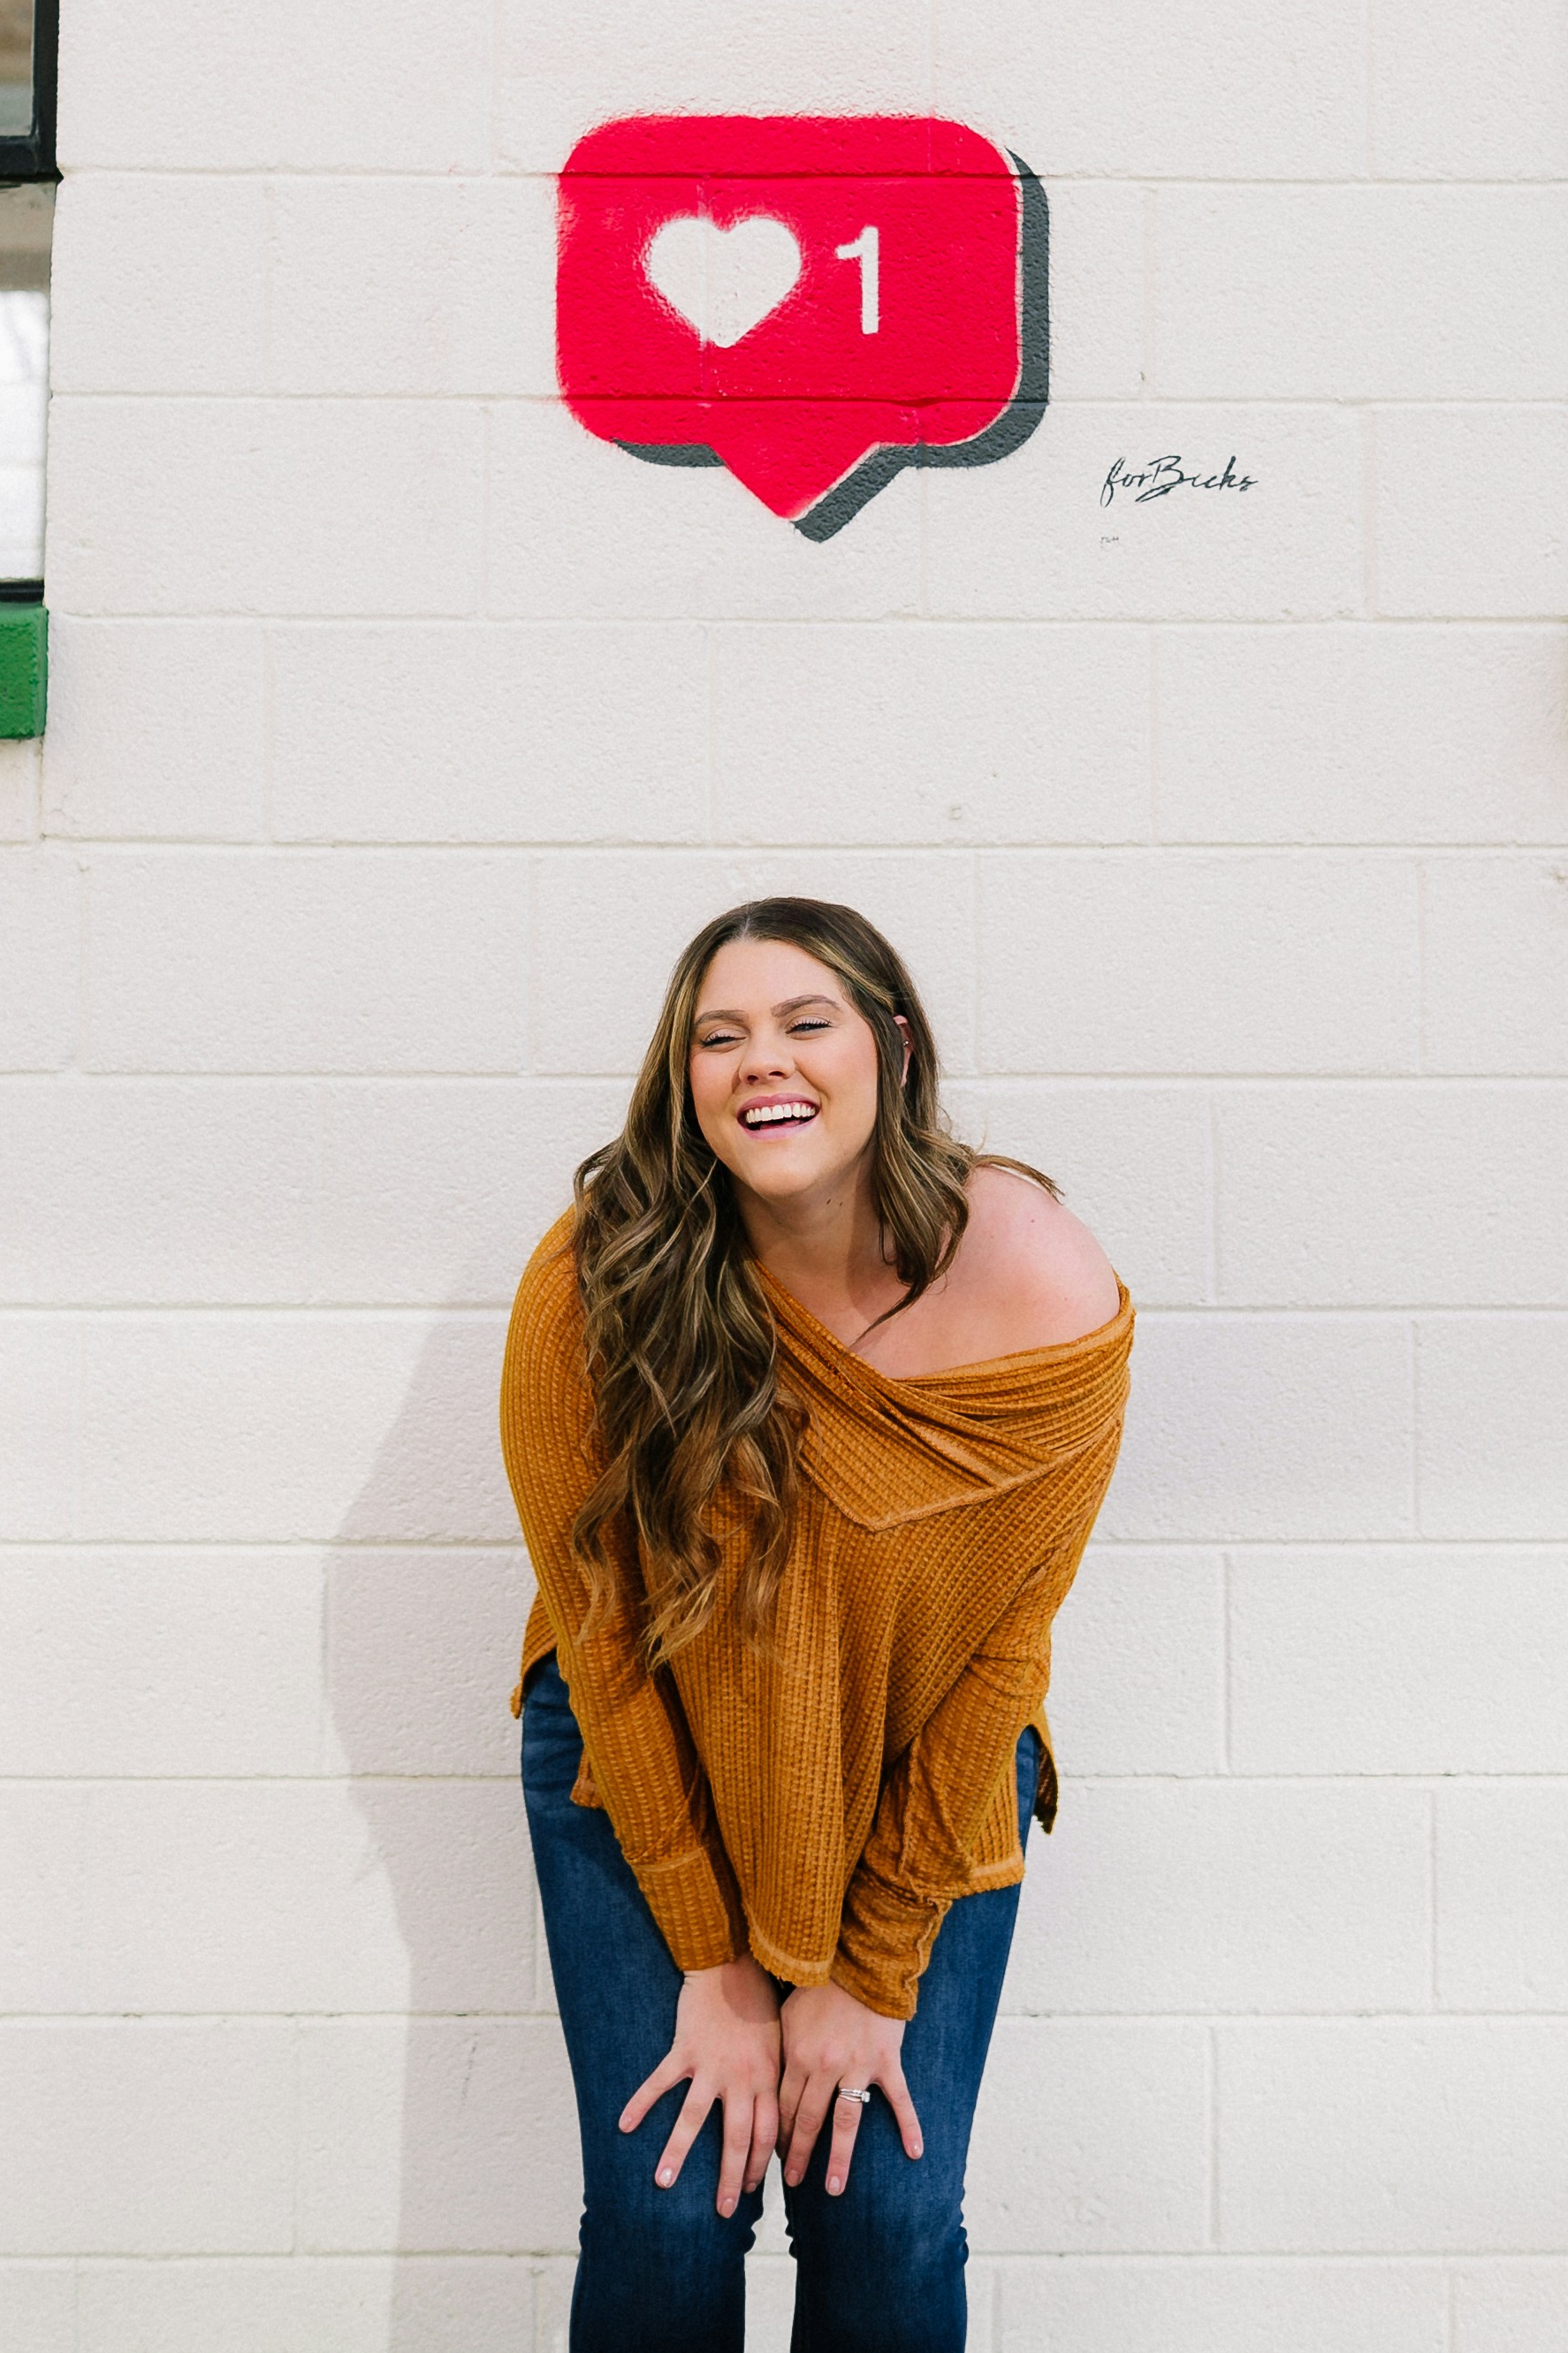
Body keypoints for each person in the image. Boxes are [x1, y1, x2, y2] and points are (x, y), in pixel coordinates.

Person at [501, 895, 1131, 2353]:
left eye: (804, 1022)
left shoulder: (1041, 1278)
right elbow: (596, 1630)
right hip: (640, 1751)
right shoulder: (599, 1273)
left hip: (924, 1762)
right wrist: (716, 1967)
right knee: (670, 2201)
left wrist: (870, 1968)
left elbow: (1004, 1643)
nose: (757, 1061)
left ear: (891, 1049)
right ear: (683, 1080)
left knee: (886, 2208)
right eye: (716, 1035)